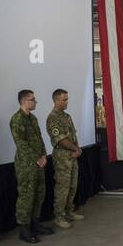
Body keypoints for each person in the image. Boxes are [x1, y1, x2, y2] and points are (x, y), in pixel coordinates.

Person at [11, 89, 50, 243]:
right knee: (26, 197)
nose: (35, 102)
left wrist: (44, 156)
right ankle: (24, 229)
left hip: (39, 163)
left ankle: (35, 223)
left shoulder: (32, 118)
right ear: (25, 101)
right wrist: (37, 159)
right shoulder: (16, 120)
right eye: (33, 99)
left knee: (39, 194)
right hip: (26, 165)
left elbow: (39, 139)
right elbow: (21, 144)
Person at [46, 89, 84, 229]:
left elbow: (72, 136)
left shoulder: (67, 116)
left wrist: (77, 149)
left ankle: (69, 211)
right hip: (62, 157)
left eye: (67, 99)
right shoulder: (52, 118)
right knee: (62, 187)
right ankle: (59, 216)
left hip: (72, 156)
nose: (66, 102)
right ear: (56, 101)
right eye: (64, 100)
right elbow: (61, 140)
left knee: (72, 186)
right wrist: (76, 149)